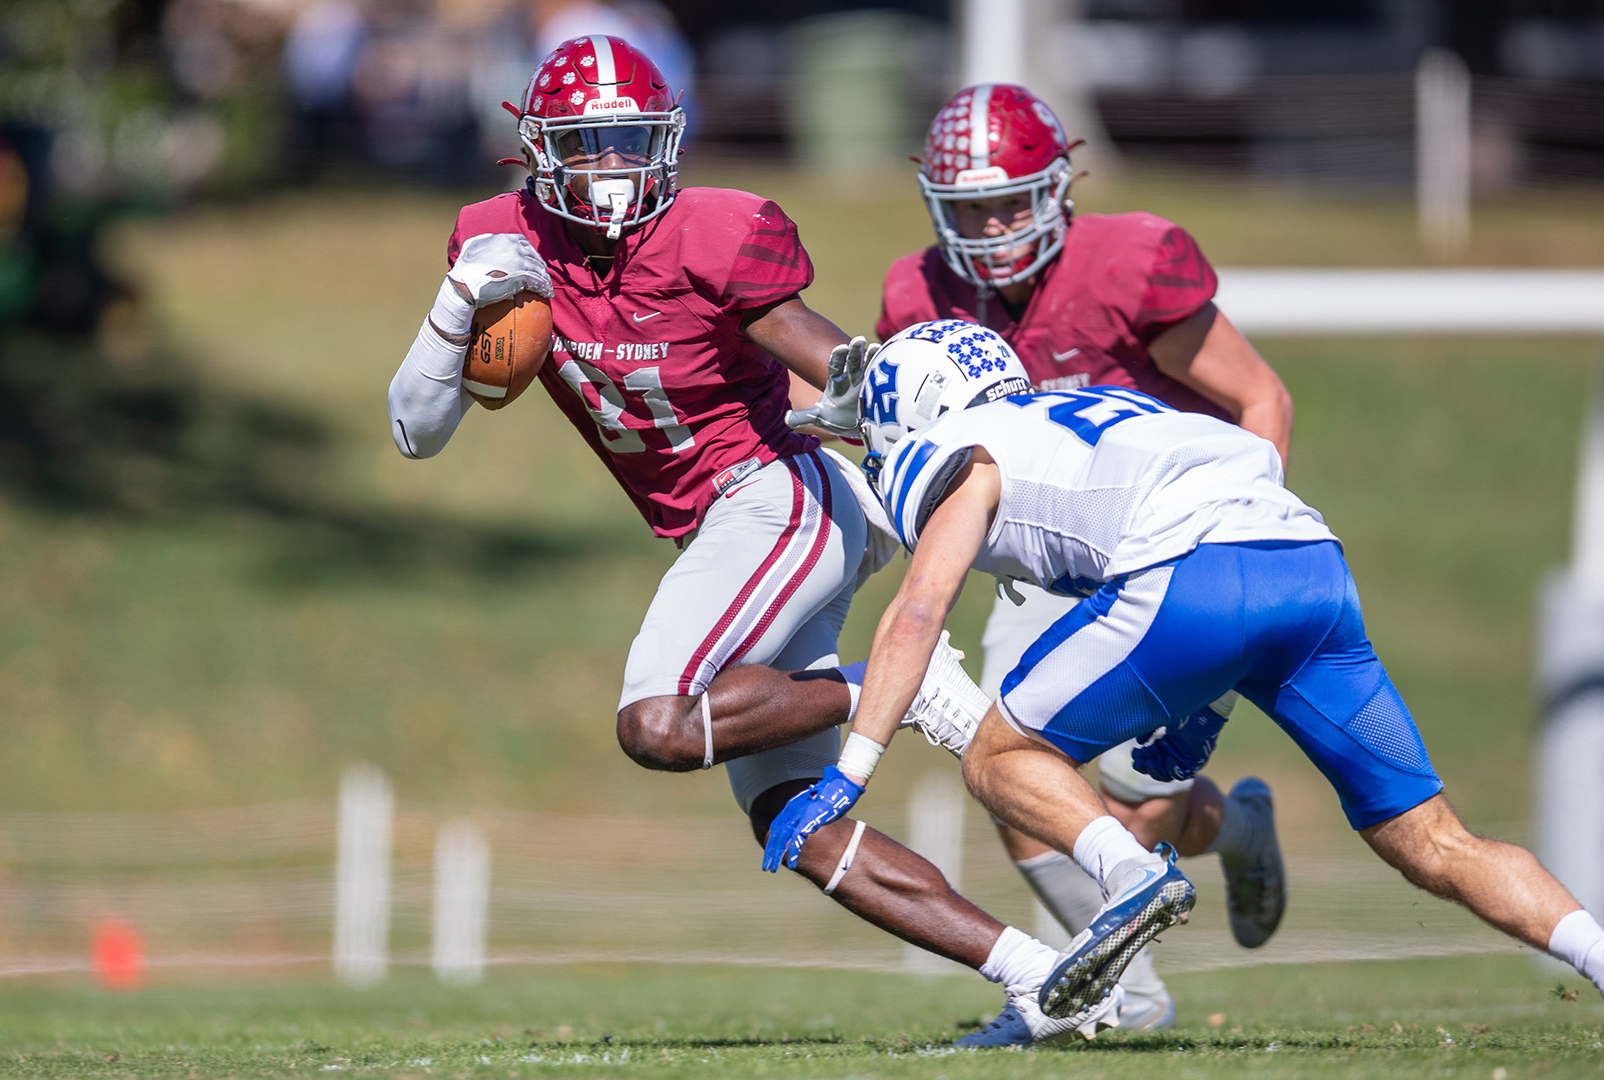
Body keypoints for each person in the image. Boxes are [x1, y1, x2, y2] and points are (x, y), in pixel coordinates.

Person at [385, 36, 1104, 1043]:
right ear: (540, 150)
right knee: (798, 823)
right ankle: (1047, 976)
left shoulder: (715, 234)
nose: (610, 168)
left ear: (666, 143)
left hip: (779, 497)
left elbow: (839, 369)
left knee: (656, 722)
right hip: (724, 532)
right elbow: (416, 430)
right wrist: (462, 297)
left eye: (628, 142)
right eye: (586, 144)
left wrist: (916, 411)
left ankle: (898, 686)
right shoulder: (499, 243)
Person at [762, 320, 1604, 1047]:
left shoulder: (956, 449)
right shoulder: (1113, 412)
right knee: (1433, 838)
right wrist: (1205, 707)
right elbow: (1237, 508)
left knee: (1001, 753)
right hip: (1308, 563)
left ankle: (1132, 879)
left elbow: (918, 615)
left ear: (919, 407)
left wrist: (849, 776)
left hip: (1195, 569)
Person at [874, 82, 1294, 1032]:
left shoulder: (1131, 261)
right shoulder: (918, 291)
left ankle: (1234, 828)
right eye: (968, 205)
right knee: (1017, 776)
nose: (988, 227)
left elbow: (1262, 399)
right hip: (1034, 552)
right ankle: (1128, 998)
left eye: (1007, 199)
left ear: (1059, 186)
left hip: (1167, 545)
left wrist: (1245, 535)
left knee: (1140, 807)